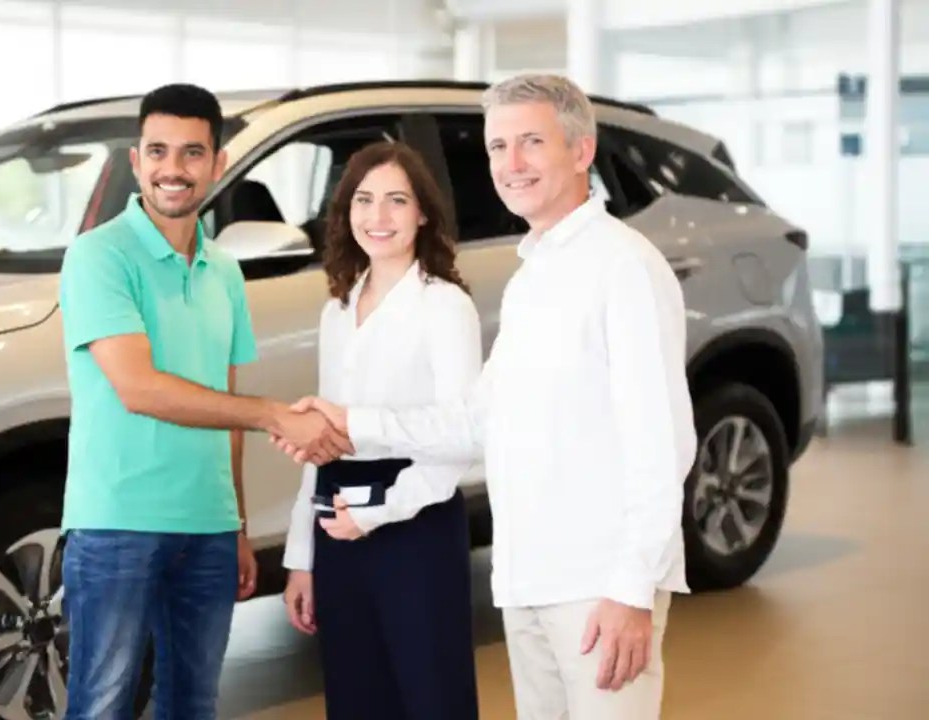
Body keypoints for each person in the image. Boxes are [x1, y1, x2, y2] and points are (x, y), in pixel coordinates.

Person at [277, 74, 698, 720]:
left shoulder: (624, 267)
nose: (510, 163)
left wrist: (633, 589)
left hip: (597, 586)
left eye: (531, 142)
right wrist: (344, 421)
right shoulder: (534, 278)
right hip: (528, 579)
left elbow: (662, 444)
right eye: (498, 147)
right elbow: (476, 422)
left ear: (581, 151)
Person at [57, 83, 351, 720]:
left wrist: (238, 524)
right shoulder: (98, 257)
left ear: (217, 165)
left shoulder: (223, 270)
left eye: (192, 154)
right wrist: (276, 414)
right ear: (136, 162)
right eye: (158, 151)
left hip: (207, 528)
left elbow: (226, 401)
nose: (173, 169)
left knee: (193, 705)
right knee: (101, 707)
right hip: (117, 526)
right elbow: (138, 388)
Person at [280, 141, 483, 720]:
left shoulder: (445, 307)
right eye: (364, 200)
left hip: (415, 526)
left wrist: (376, 513)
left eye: (397, 200)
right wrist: (303, 556)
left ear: (424, 213)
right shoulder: (337, 308)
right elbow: (321, 443)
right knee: (355, 698)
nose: (379, 216)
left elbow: (460, 437)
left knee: (430, 699)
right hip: (337, 528)